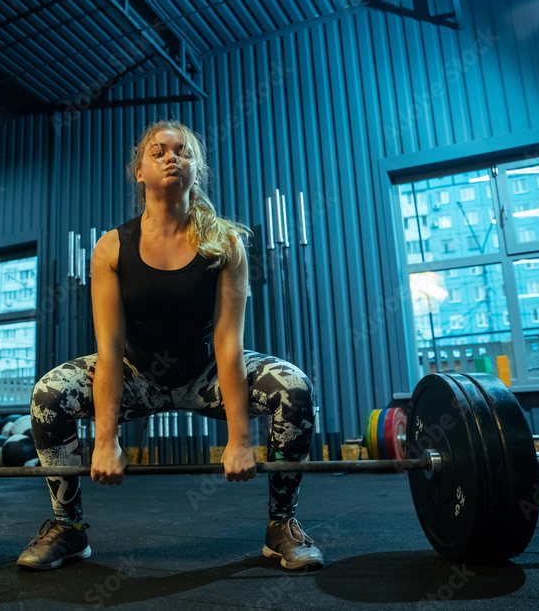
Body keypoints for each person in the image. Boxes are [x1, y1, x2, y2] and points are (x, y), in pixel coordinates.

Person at [18, 120, 322, 572]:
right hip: (136, 375)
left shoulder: (224, 243)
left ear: (196, 168)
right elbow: (110, 346)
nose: (171, 157)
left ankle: (282, 525)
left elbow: (228, 340)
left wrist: (240, 438)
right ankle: (69, 527)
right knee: (49, 394)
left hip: (207, 374)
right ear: (138, 171)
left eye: (182, 151)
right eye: (157, 151)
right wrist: (106, 440)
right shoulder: (111, 249)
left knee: (293, 388)